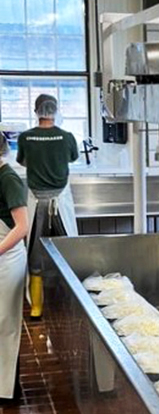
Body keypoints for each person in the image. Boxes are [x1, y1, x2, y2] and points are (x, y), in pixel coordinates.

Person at [17, 94, 79, 319]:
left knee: (35, 252)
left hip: (36, 204)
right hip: (60, 202)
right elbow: (73, 158)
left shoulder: (26, 138)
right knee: (69, 251)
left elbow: (22, 161)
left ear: (36, 111)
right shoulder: (67, 137)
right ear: (55, 111)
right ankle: (72, 305)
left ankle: (36, 308)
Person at [0, 132, 29, 404]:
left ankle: (8, 392)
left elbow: (22, 227)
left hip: (7, 260)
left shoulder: (8, 178)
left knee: (6, 323)